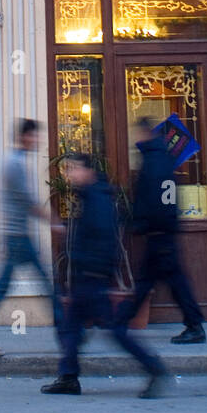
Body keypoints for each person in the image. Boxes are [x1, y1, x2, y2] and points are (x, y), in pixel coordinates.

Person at [40, 154, 169, 398]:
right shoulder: (90, 196)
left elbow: (104, 239)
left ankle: (153, 367)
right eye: (68, 170)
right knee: (70, 327)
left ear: (88, 171)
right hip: (86, 276)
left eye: (74, 169)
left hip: (92, 277)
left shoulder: (97, 199)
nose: (69, 174)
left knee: (114, 330)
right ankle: (68, 377)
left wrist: (92, 269)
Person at [0, 119, 63, 357]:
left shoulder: (18, 161)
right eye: (33, 136)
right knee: (10, 287)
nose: (37, 140)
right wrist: (53, 221)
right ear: (24, 137)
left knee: (38, 283)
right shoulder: (14, 163)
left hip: (19, 236)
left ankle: (69, 332)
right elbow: (26, 201)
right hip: (15, 236)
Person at [116, 117, 205, 344]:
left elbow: (155, 199)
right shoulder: (162, 157)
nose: (135, 138)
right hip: (162, 231)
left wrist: (141, 223)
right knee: (152, 281)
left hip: (160, 233)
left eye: (137, 133)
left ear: (145, 133)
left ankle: (194, 326)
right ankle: (122, 322)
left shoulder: (153, 161)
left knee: (171, 282)